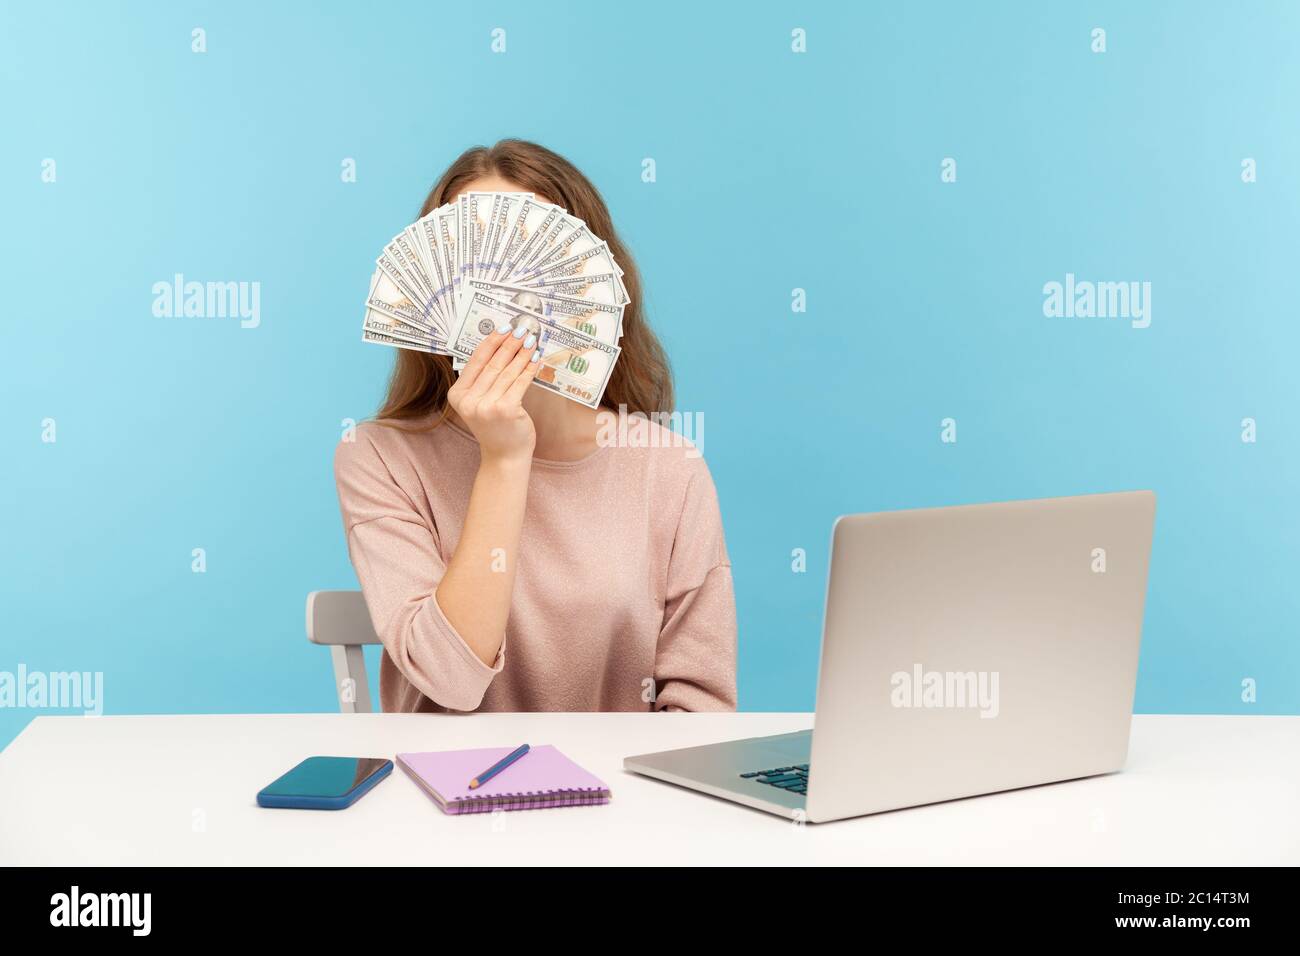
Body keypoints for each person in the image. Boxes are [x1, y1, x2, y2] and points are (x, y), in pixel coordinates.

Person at [334, 139, 737, 713]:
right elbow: (450, 677)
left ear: (593, 285)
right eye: (478, 262)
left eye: (535, 260)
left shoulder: (668, 468)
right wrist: (502, 461)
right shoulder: (378, 457)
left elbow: (702, 711)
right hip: (444, 793)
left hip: (616, 797)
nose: (509, 297)